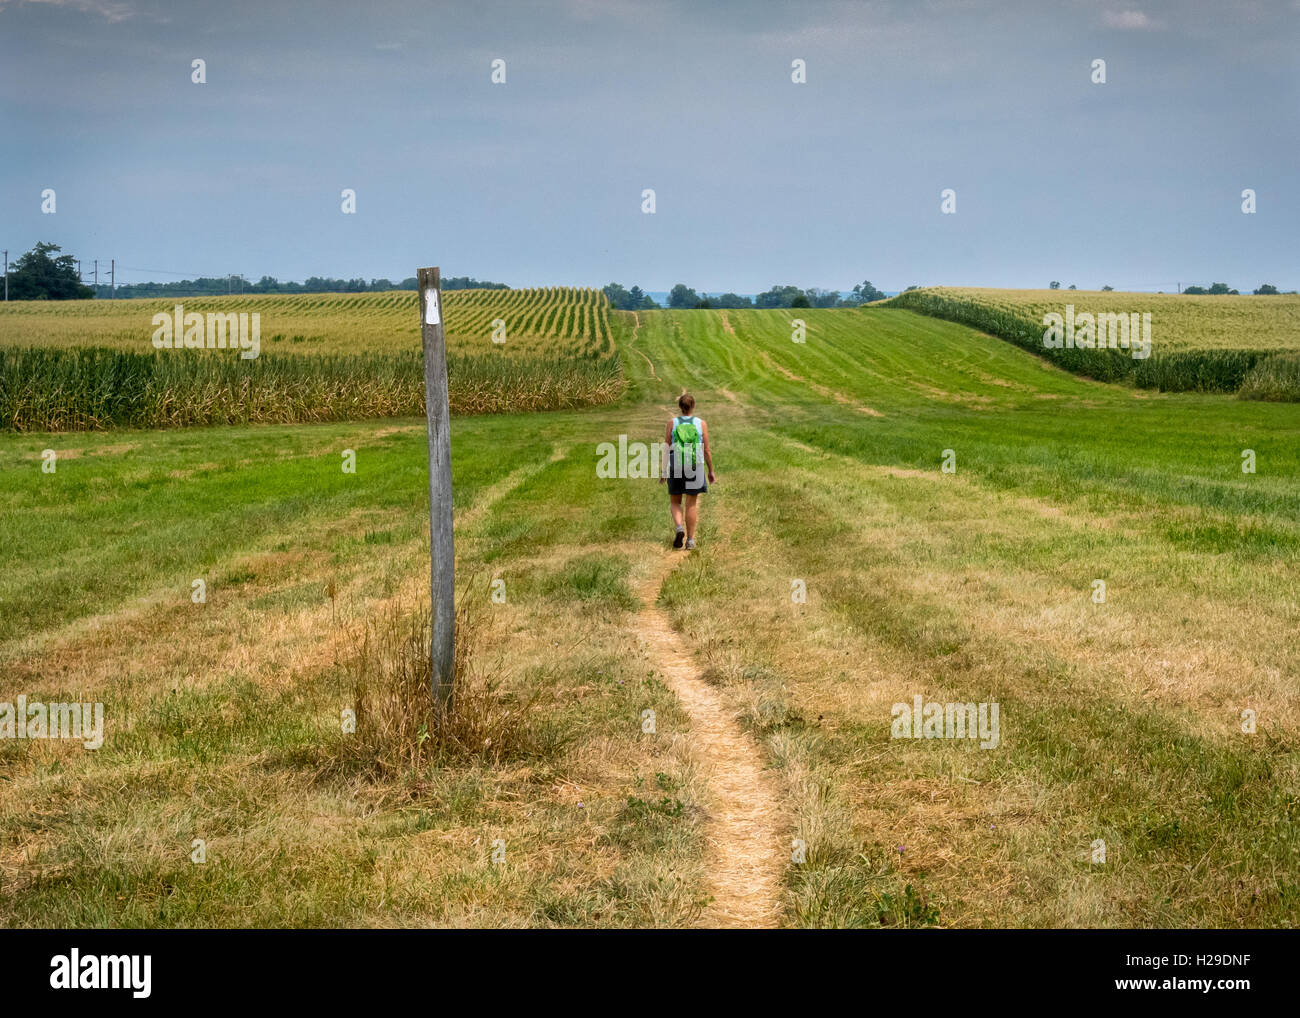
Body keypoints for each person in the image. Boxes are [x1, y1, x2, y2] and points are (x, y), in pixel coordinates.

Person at [659, 392, 715, 550]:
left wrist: (663, 471)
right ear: (693, 406)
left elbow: (667, 447)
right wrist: (710, 471)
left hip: (676, 465)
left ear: (679, 407)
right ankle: (690, 540)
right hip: (695, 465)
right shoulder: (701, 423)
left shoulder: (672, 423)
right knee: (691, 504)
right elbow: (707, 450)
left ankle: (679, 528)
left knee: (675, 501)